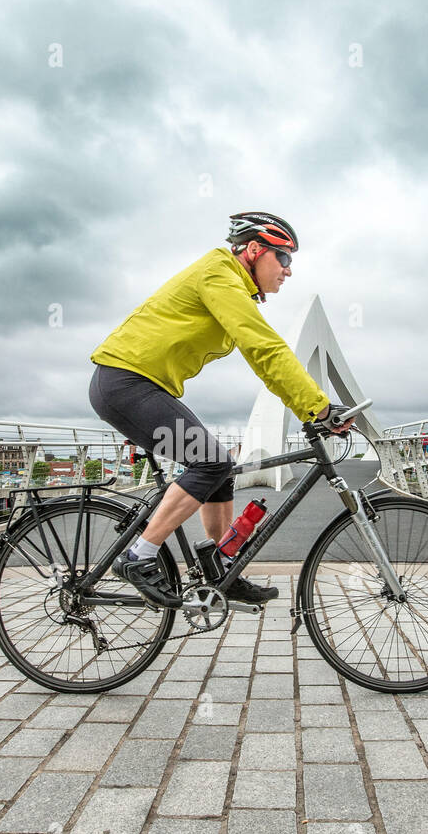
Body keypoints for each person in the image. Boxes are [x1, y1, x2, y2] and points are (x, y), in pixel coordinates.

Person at [88, 211, 354, 609]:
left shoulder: (230, 283)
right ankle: (137, 556)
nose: (288, 271)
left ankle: (221, 571)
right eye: (283, 259)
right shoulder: (219, 274)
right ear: (253, 250)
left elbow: (265, 362)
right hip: (124, 382)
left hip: (140, 383)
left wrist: (310, 409)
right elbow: (265, 348)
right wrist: (318, 407)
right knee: (210, 462)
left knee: (220, 470)